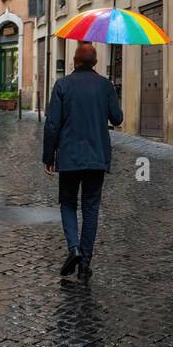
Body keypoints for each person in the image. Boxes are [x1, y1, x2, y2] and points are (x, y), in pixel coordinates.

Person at [43, 42, 123, 281]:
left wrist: (49, 156)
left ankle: (74, 248)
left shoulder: (62, 85)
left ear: (75, 62)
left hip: (69, 157)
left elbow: (52, 125)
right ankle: (85, 262)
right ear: (95, 63)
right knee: (90, 208)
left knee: (68, 204)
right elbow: (117, 119)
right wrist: (109, 93)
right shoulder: (105, 85)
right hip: (97, 157)